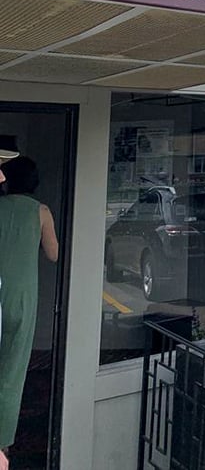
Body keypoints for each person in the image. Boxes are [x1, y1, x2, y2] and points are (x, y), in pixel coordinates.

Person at [0, 156, 59, 466]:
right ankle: (3, 445)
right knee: (11, 371)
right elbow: (53, 254)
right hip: (21, 298)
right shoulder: (41, 211)